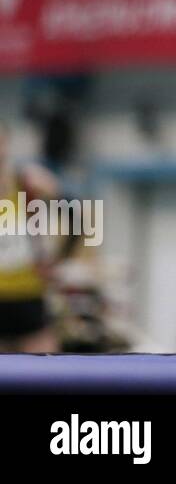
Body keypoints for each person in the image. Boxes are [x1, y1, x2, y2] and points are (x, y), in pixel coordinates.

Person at [0, 122, 62, 354]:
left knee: (47, 374)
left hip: (28, 294)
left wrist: (57, 257)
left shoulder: (28, 183)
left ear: (5, 145)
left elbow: (75, 215)